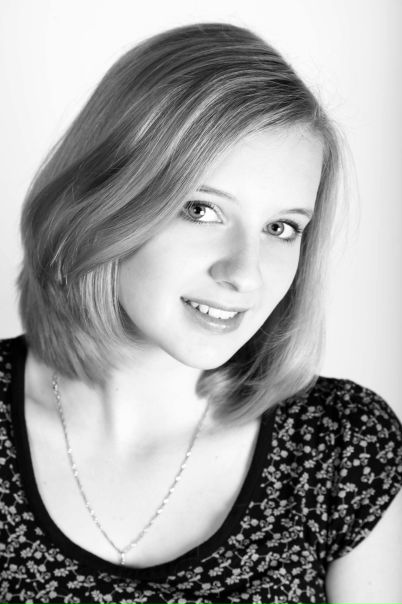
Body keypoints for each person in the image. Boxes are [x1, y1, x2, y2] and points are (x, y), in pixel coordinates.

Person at [0, 22, 401, 604]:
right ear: (104, 200)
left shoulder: (342, 446)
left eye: (281, 228)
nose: (245, 273)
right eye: (201, 210)